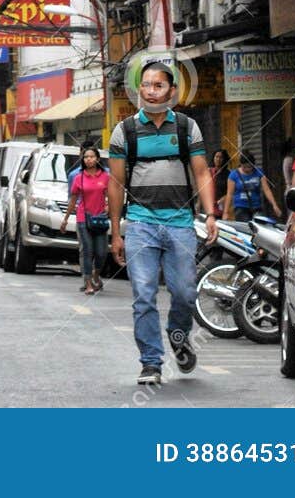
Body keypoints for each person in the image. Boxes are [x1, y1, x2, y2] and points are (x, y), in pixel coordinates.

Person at [108, 61, 218, 387]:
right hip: (140, 223)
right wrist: (116, 231)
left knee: (184, 293)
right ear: (139, 90)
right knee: (143, 294)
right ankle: (151, 362)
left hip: (180, 223)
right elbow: (115, 183)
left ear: (171, 91)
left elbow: (201, 172)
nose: (152, 91)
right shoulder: (124, 130)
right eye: (146, 85)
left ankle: (178, 336)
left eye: (159, 85)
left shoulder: (186, 128)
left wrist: (210, 213)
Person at [60, 146, 110, 294]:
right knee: (87, 251)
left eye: (92, 156)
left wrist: (108, 205)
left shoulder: (106, 176)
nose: (89, 159)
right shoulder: (79, 177)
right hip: (83, 218)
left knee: (101, 252)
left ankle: (96, 274)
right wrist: (66, 219)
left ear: (98, 159)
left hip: (100, 218)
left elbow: (110, 195)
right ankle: (88, 283)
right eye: (86, 157)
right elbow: (73, 200)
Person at [222, 151, 282, 221]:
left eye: (250, 167)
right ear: (241, 164)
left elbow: (266, 190)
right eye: (245, 167)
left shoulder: (259, 172)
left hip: (256, 207)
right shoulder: (233, 175)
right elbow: (229, 194)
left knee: (259, 226)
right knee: (247, 227)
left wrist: (274, 205)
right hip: (241, 207)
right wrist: (225, 212)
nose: (248, 169)